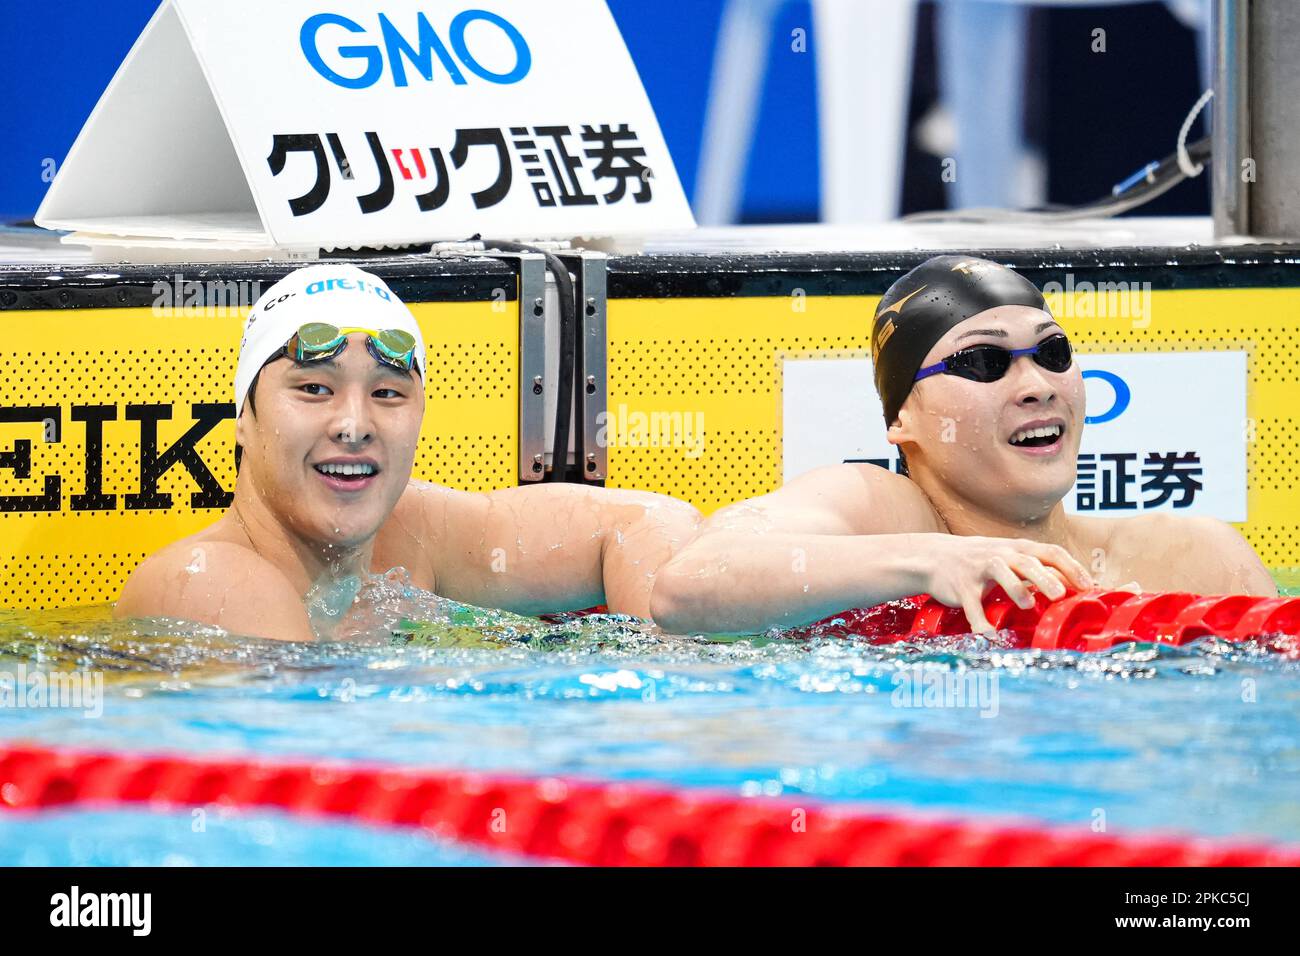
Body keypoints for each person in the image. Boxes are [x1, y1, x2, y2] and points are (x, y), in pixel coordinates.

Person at [650, 254, 1275, 635]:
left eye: (1051, 353)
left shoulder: (1195, 559)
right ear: (903, 421)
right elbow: (687, 585)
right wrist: (933, 560)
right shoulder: (872, 511)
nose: (1036, 386)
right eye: (982, 361)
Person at [114, 264, 700, 641]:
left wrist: (661, 671)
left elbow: (645, 522)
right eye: (314, 388)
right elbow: (326, 771)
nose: (353, 425)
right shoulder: (210, 583)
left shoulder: (412, 533)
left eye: (387, 393)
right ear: (244, 417)